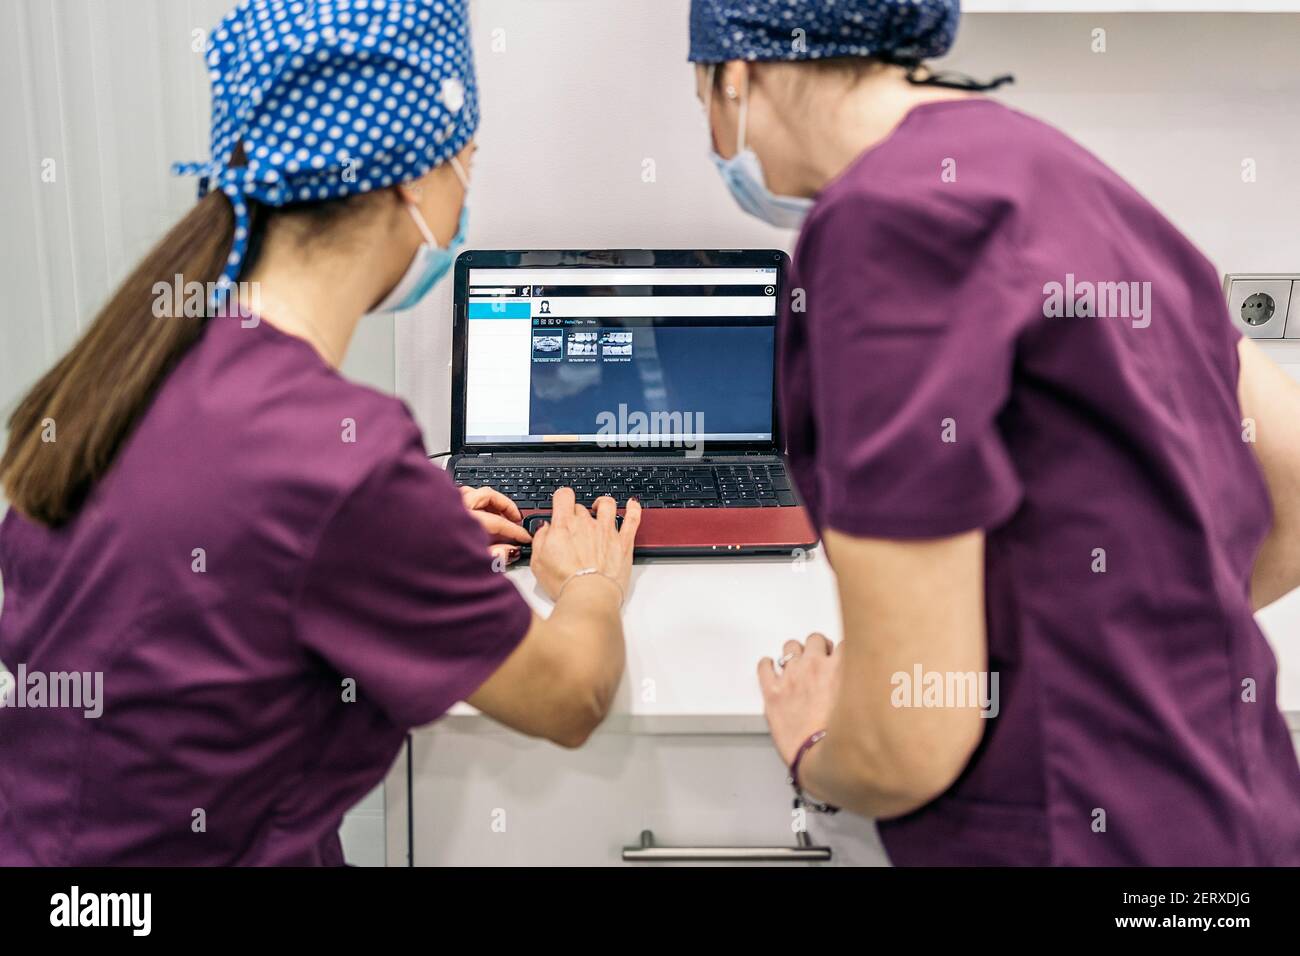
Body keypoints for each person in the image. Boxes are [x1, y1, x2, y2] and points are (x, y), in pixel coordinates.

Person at [0, 0, 639, 866]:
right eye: (468, 161)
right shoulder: (344, 457)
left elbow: (206, 550)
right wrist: (593, 580)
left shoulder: (134, 357)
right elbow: (571, 700)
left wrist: (393, 536)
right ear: (413, 180)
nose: (466, 193)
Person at [688, 0, 1300, 864]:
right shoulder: (1056, 167)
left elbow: (908, 747)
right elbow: (1296, 471)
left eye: (703, 98)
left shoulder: (881, 223)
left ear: (736, 76)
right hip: (1235, 815)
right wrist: (1132, 661)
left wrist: (815, 752)